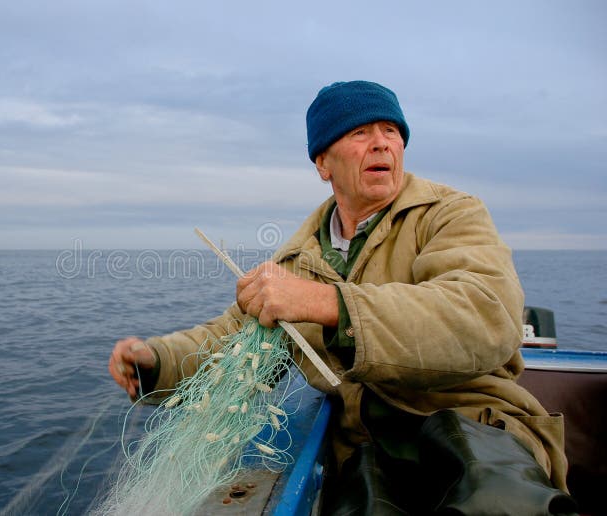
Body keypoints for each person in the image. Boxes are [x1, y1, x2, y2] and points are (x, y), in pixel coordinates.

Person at [108, 81, 575, 514]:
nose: (382, 143)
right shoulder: (297, 259)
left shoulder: (450, 215)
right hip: (364, 449)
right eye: (360, 132)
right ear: (323, 164)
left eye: (391, 130)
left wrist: (328, 304)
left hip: (474, 425)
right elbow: (229, 341)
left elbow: (485, 317)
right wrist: (155, 362)